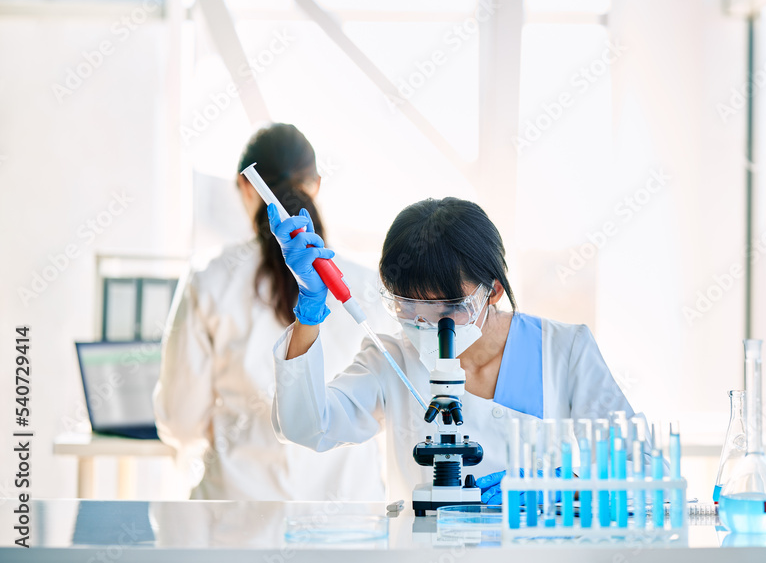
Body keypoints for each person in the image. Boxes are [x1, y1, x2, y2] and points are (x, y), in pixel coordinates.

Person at [268, 196, 640, 504]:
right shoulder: (391, 359)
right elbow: (307, 426)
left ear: (491, 291)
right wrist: (310, 311)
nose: (426, 325)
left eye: (446, 310)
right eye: (407, 308)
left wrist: (562, 490)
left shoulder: (564, 349)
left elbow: (643, 470)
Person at [154, 124, 393, 501]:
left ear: (247, 187)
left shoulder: (210, 280)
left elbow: (180, 418)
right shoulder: (368, 287)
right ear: (316, 184)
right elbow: (391, 408)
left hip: (240, 516)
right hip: (348, 522)